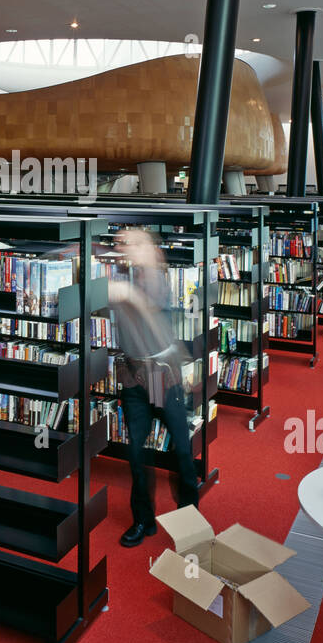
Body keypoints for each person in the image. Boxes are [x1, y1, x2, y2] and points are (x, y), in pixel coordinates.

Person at [105, 228, 199, 548]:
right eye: (118, 243)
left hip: (161, 373)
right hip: (131, 373)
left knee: (182, 450)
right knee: (136, 452)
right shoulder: (114, 273)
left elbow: (149, 305)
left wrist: (126, 294)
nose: (121, 248)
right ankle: (142, 519)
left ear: (147, 248)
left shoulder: (157, 276)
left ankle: (189, 519)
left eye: (129, 243)